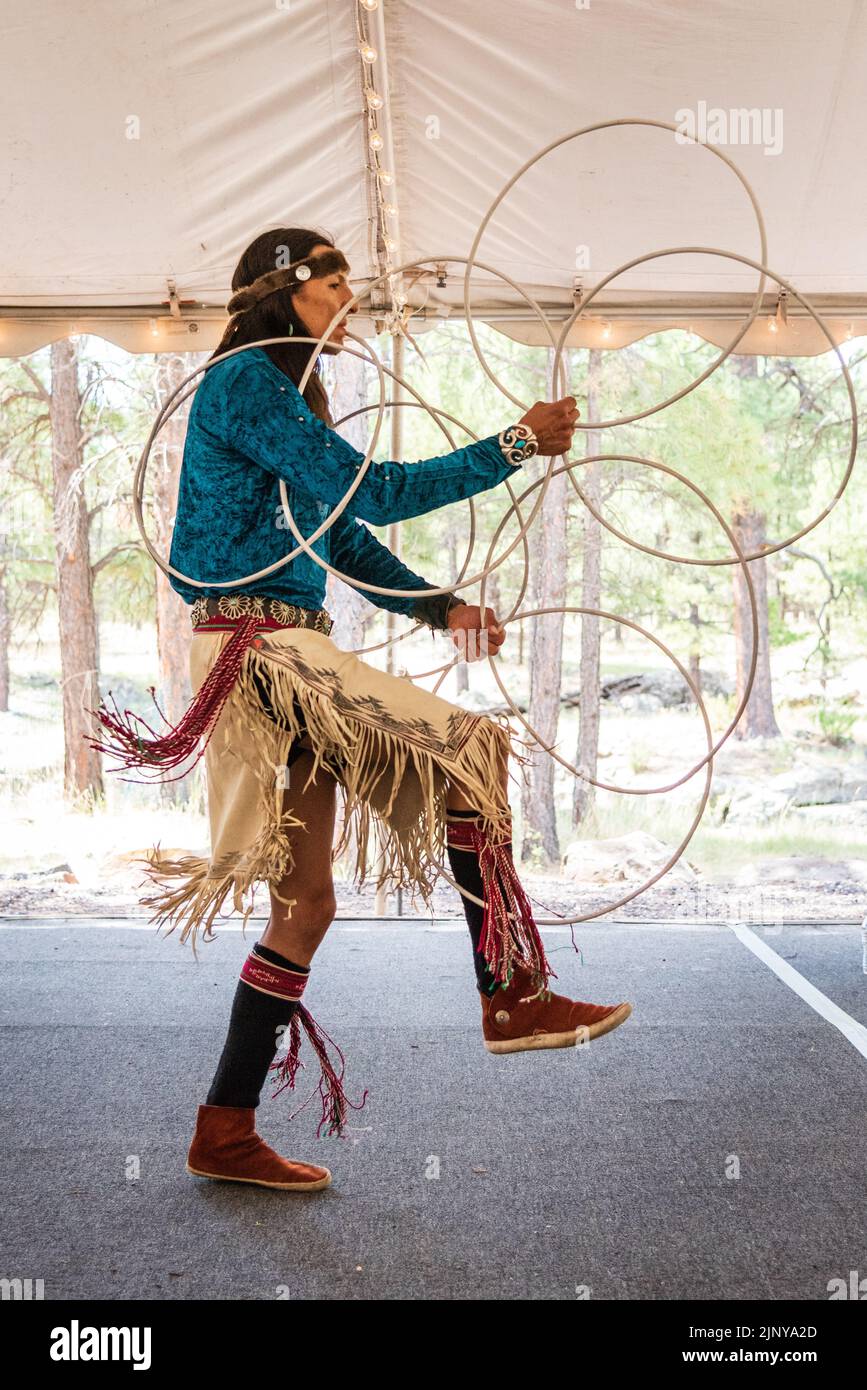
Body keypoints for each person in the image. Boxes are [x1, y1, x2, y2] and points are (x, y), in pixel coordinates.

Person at [91, 226, 631, 1193]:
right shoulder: (249, 382)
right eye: (335, 283)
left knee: (305, 906)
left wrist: (438, 606)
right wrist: (514, 442)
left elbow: (339, 534)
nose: (352, 300)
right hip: (263, 654)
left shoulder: (286, 393)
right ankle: (510, 997)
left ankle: (223, 1128)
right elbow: (374, 495)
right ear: (284, 291)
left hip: (271, 651)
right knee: (469, 750)